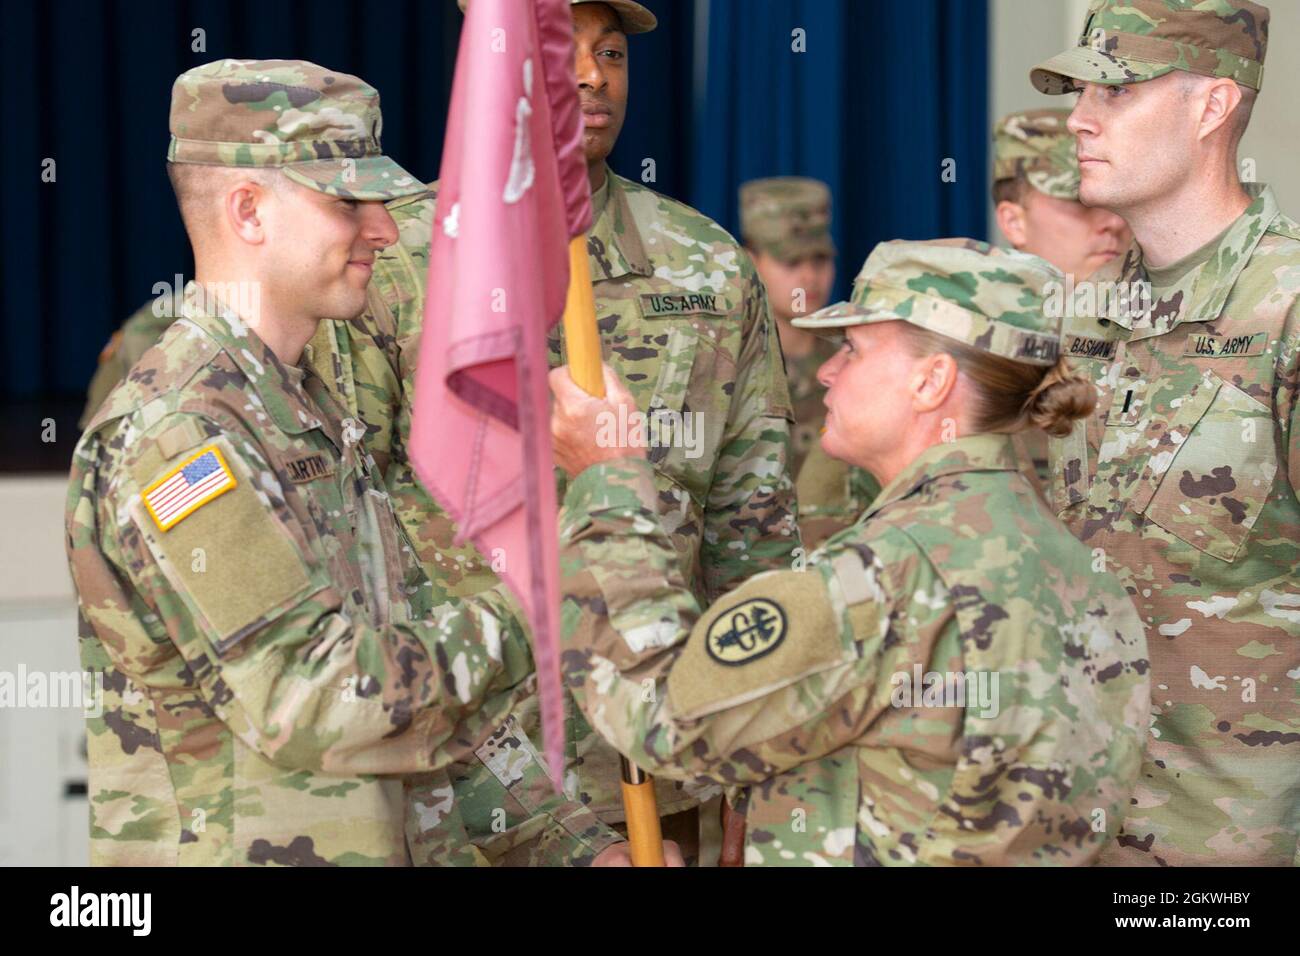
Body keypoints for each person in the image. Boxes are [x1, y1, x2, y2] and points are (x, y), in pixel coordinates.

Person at [336, 0, 800, 864]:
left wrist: (761, 775)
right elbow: (348, 560)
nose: (592, 75)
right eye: (561, 50)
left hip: (657, 776)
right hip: (456, 796)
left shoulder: (706, 266)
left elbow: (754, 543)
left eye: (612, 53)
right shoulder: (394, 265)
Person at [66, 60, 539, 866]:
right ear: (249, 210)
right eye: (348, 201)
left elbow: (426, 687)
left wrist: (574, 844)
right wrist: (536, 612)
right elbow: (316, 700)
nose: (384, 231)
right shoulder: (180, 433)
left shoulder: (309, 406)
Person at [549, 238, 1152, 866]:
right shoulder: (1078, 569)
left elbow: (660, 714)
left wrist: (607, 477)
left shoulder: (887, 573)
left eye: (855, 349)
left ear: (931, 380)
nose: (830, 372)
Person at [1029, 0, 1300, 866]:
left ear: (1212, 107)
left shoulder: (1286, 311)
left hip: (1232, 851)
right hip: (1075, 835)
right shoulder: (1084, 319)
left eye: (1116, 91)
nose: (1078, 118)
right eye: (1078, 92)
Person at [990, 109, 1131, 495]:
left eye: (1117, 200)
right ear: (1013, 221)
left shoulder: (1166, 335)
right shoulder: (972, 352)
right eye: (1082, 202)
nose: (1112, 222)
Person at [741, 177, 880, 547]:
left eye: (819, 259)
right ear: (751, 261)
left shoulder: (858, 369)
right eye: (791, 261)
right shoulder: (728, 369)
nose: (809, 276)